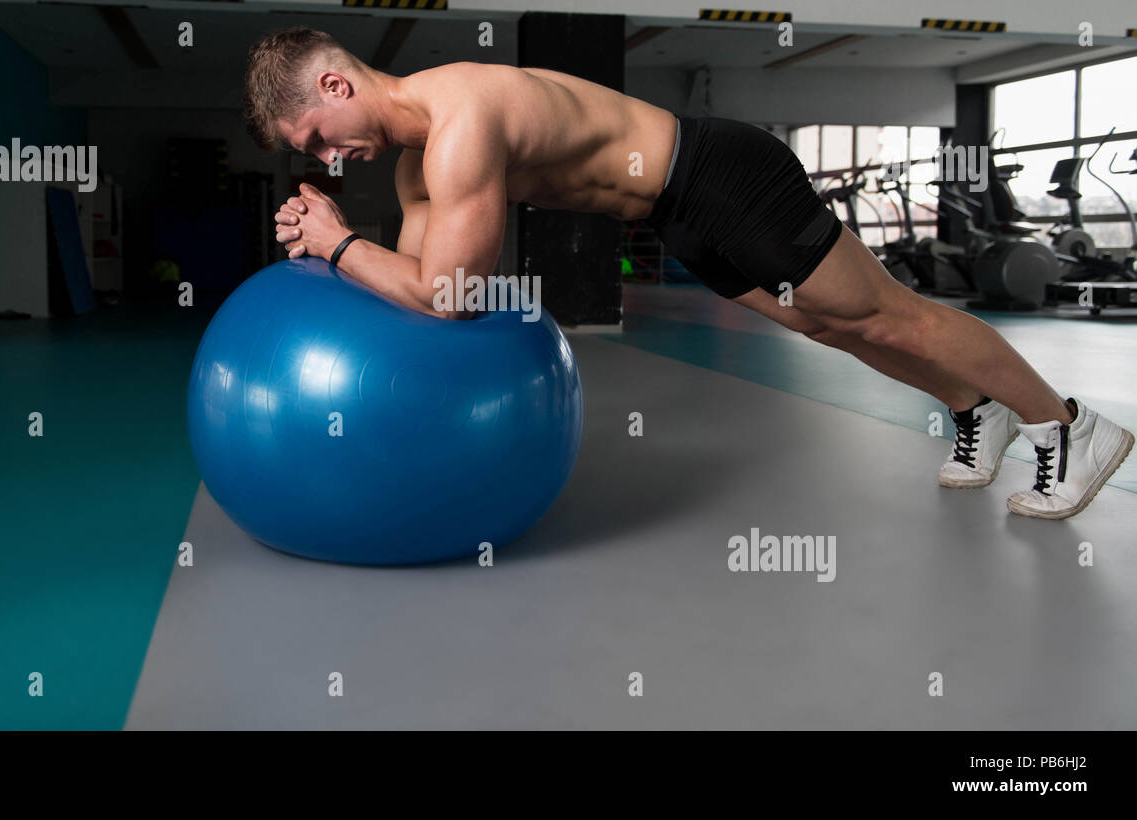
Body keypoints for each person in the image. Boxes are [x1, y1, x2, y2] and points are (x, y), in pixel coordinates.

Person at [244, 26, 1133, 520]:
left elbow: (449, 296)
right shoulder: (415, 167)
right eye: (311, 158)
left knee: (885, 314)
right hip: (672, 211)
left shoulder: (463, 120)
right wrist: (337, 239)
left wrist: (336, 243)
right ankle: (974, 409)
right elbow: (423, 283)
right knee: (828, 328)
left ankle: (1068, 424)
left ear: (334, 85)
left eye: (317, 138)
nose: (332, 158)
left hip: (720, 175)